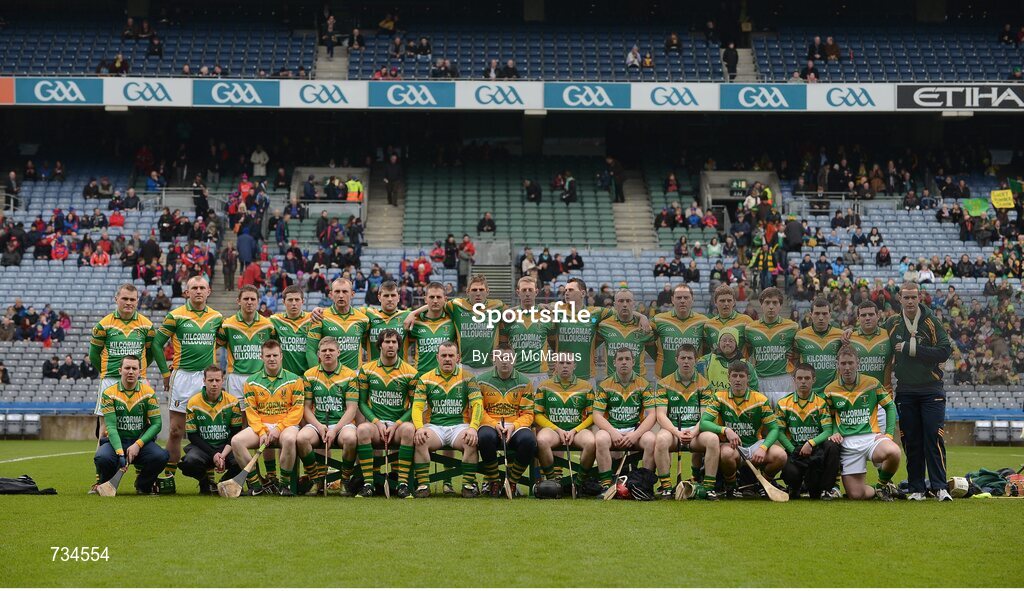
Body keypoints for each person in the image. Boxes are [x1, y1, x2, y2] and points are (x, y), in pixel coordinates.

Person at [153, 276, 224, 494]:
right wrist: (166, 373)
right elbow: (156, 344)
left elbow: (225, 340)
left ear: (209, 291)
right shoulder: (175, 316)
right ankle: (168, 477)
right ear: (186, 292)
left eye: (202, 287)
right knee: (176, 431)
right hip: (182, 377)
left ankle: (207, 479)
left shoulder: (217, 318)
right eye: (194, 288)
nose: (198, 291)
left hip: (206, 377)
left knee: (208, 431)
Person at [885, 282, 952, 501]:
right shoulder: (893, 323)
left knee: (933, 437)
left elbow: (944, 351)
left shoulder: (931, 321)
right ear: (900, 299)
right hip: (905, 391)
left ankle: (940, 487)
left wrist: (911, 348)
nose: (910, 301)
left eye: (914, 297)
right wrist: (850, 332)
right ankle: (916, 488)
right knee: (911, 441)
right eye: (906, 297)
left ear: (919, 298)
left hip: (931, 389)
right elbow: (873, 335)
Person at [822, 346, 901, 501]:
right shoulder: (830, 389)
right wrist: (834, 431)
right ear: (837, 365)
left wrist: (889, 434)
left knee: (894, 452)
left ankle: (882, 485)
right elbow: (829, 416)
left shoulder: (872, 383)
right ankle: (876, 491)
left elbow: (890, 406)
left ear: (858, 363)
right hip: (848, 444)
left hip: (871, 439)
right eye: (843, 363)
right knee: (856, 495)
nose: (847, 367)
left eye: (850, 363)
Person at [700, 360, 785, 498]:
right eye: (734, 376)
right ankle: (731, 485)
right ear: (728, 377)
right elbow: (704, 423)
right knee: (726, 454)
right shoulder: (719, 397)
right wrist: (725, 430)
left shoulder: (760, 399)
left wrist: (763, 448)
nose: (738, 380)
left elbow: (774, 428)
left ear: (748, 378)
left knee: (780, 455)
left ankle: (762, 484)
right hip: (732, 447)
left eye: (741, 376)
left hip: (754, 446)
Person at [411, 341, 484, 498]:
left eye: (451, 355)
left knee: (471, 441)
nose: (447, 359)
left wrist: (473, 428)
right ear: (437, 357)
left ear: (458, 358)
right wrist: (419, 427)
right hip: (434, 426)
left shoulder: (468, 378)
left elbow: (478, 404)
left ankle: (468, 485)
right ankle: (423, 485)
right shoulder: (425, 378)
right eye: (443, 355)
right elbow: (416, 407)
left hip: (459, 426)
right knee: (420, 440)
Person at [231, 340, 304, 496]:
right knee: (236, 441)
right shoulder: (251, 382)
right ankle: (256, 486)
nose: (272, 359)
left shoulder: (295, 380)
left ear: (281, 356)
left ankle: (284, 485)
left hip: (286, 426)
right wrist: (262, 431)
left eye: (275, 355)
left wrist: (278, 428)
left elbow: (297, 410)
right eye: (268, 355)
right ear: (261, 357)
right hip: (262, 425)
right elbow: (251, 412)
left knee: (290, 439)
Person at [355, 329, 419, 498]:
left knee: (409, 429)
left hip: (398, 425)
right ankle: (368, 484)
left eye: (394, 342)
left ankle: (402, 484)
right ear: (380, 345)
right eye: (387, 342)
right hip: (376, 424)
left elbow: (414, 406)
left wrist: (396, 424)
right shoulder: (366, 370)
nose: (390, 345)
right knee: (362, 430)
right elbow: (362, 402)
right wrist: (376, 422)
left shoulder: (411, 372)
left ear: (399, 346)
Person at [93, 355, 168, 495]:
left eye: (134, 368)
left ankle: (143, 485)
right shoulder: (109, 393)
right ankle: (104, 483)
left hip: (140, 443)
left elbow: (157, 424)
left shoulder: (148, 393)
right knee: (102, 457)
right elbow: (111, 427)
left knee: (161, 456)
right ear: (120, 370)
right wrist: (120, 452)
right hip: (116, 442)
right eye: (127, 368)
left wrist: (138, 445)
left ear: (139, 371)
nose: (131, 371)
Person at [653, 345, 720, 499]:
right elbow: (661, 415)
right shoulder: (664, 383)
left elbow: (705, 417)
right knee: (661, 439)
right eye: (682, 358)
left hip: (696, 431)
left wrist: (693, 433)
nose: (686, 361)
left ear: (695, 360)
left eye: (690, 358)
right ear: (676, 360)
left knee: (713, 439)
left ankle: (708, 488)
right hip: (673, 431)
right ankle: (666, 488)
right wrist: (677, 433)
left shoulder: (705, 384)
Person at [296, 337, 360, 495]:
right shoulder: (309, 375)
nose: (328, 353)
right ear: (318, 354)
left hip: (342, 424)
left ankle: (345, 480)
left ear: (338, 352)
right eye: (324, 351)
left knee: (351, 439)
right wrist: (319, 426)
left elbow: (351, 409)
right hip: (318, 423)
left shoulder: (350, 375)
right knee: (301, 439)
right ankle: (315, 480)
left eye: (331, 350)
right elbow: (306, 408)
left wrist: (335, 429)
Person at [475, 346, 537, 496]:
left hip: (515, 425)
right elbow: (478, 410)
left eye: (508, 358)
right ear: (494, 360)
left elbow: (528, 414)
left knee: (529, 440)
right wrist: (493, 424)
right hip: (491, 423)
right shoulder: (481, 380)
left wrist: (514, 426)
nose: (504, 361)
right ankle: (494, 481)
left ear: (514, 360)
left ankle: (512, 482)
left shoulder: (525, 382)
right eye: (501, 358)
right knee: (484, 437)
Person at [593, 348, 657, 489]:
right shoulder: (604, 385)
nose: (624, 362)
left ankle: (644, 485)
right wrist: (612, 432)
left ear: (633, 362)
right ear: (614, 363)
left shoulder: (643, 384)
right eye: (620, 359)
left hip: (635, 429)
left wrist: (635, 435)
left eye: (627, 359)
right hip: (612, 429)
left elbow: (652, 414)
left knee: (651, 440)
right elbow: (597, 415)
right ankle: (606, 485)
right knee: (600, 438)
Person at [776, 363, 840, 500]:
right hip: (795, 449)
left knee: (833, 446)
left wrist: (811, 443)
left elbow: (828, 431)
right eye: (799, 378)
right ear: (794, 380)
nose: (803, 381)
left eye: (807, 378)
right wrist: (793, 450)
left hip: (816, 451)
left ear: (813, 380)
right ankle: (795, 486)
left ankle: (826, 489)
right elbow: (779, 432)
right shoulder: (783, 403)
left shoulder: (821, 403)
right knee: (790, 474)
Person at [534, 354, 597, 490]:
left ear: (574, 366)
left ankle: (579, 483)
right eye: (561, 363)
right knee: (542, 440)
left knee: (591, 442)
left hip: (577, 431)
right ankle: (552, 483)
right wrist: (557, 430)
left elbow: (593, 416)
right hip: (554, 431)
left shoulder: (586, 386)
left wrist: (575, 430)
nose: (565, 366)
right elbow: (537, 415)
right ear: (555, 366)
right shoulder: (544, 386)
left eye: (568, 363)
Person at [180, 366, 243, 494]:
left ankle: (223, 483)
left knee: (244, 460)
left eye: (217, 380)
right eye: (210, 380)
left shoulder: (232, 401)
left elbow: (235, 432)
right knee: (188, 463)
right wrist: (214, 454)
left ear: (222, 380)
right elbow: (192, 436)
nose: (214, 384)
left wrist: (222, 455)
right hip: (202, 448)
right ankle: (206, 483)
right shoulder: (193, 402)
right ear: (204, 381)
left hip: (226, 448)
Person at [843, 300, 894, 433]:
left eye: (871, 314)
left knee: (882, 442)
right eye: (863, 315)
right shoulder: (849, 338)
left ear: (878, 316)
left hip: (882, 400)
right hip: (856, 399)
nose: (867, 318)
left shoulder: (889, 336)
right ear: (858, 318)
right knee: (859, 442)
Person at [217, 285, 276, 398]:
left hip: (260, 376)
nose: (249, 302)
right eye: (246, 299)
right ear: (238, 301)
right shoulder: (227, 325)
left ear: (258, 301)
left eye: (253, 299)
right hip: (235, 377)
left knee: (259, 409)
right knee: (236, 410)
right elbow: (214, 346)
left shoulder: (268, 325)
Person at [747, 288, 799, 406]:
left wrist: (795, 355)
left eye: (775, 303)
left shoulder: (792, 327)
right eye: (767, 302)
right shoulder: (750, 329)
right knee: (762, 416)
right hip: (760, 379)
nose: (771, 306)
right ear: (761, 305)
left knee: (785, 415)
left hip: (784, 379)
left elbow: (800, 351)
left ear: (780, 305)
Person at [306, 277, 369, 371]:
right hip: (329, 374)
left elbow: (368, 345)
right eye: (337, 291)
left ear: (352, 294)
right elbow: (311, 350)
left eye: (345, 291)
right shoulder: (320, 317)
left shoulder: (363, 319)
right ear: (331, 294)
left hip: (354, 374)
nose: (341, 295)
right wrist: (317, 374)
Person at [649, 284, 707, 379]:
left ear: (692, 299)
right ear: (672, 299)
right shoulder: (658, 320)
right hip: (664, 380)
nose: (682, 301)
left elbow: (708, 349)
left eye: (686, 297)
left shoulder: (703, 322)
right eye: (679, 298)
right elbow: (647, 343)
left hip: (694, 381)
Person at [595, 289, 655, 378]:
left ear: (633, 304)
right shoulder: (604, 325)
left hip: (638, 382)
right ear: (615, 305)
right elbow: (589, 342)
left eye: (628, 301)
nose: (625, 304)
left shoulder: (644, 327)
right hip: (611, 382)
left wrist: (643, 317)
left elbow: (658, 355)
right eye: (621, 301)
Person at [795, 297, 844, 394]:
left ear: (830, 315)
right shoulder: (799, 336)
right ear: (811, 315)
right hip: (809, 393)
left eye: (824, 314)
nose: (821, 318)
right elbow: (793, 358)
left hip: (832, 392)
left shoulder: (840, 335)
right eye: (817, 313)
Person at [696, 327, 757, 394]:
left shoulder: (746, 365)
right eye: (724, 340)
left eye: (731, 341)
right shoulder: (705, 361)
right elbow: (698, 386)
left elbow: (754, 391)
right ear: (719, 343)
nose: (727, 343)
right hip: (712, 400)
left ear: (736, 344)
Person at [703, 284, 753, 353]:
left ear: (734, 302)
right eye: (722, 301)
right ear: (715, 302)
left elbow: (752, 348)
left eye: (729, 300)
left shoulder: (746, 321)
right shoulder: (708, 325)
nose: (726, 304)